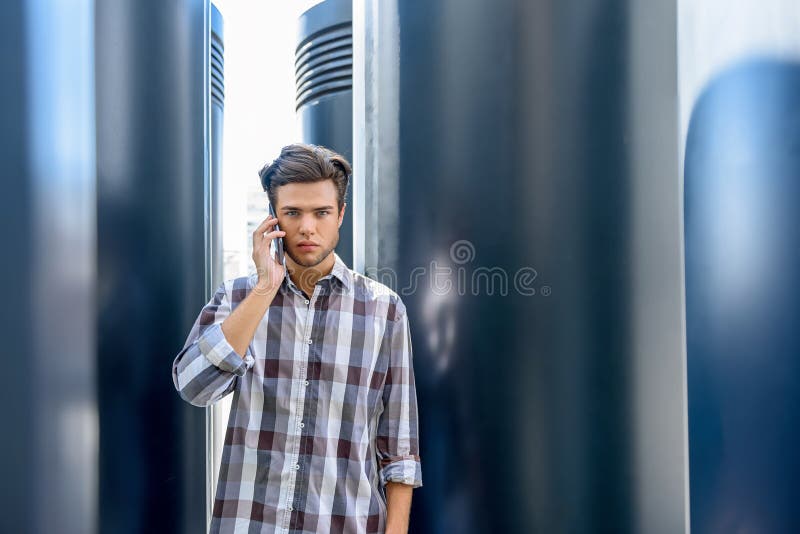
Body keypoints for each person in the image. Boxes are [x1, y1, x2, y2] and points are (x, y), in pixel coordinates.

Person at [172, 143, 422, 534]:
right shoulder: (237, 298)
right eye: (292, 213)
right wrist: (263, 290)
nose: (307, 227)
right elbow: (193, 388)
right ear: (273, 219)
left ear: (340, 214)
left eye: (321, 213)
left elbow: (399, 447)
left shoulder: (384, 310)